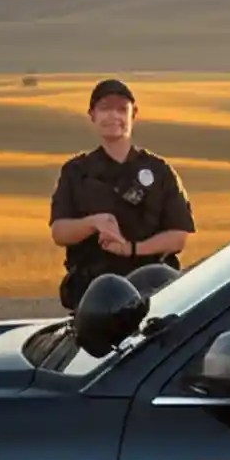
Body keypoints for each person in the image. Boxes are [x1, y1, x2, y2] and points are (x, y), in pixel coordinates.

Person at [48, 78, 196, 311]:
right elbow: (59, 232)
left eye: (121, 109)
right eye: (105, 108)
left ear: (133, 113)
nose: (113, 116)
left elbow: (179, 236)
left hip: (154, 294)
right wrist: (94, 223)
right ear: (92, 115)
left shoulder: (159, 171)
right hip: (93, 300)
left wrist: (131, 248)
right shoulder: (76, 172)